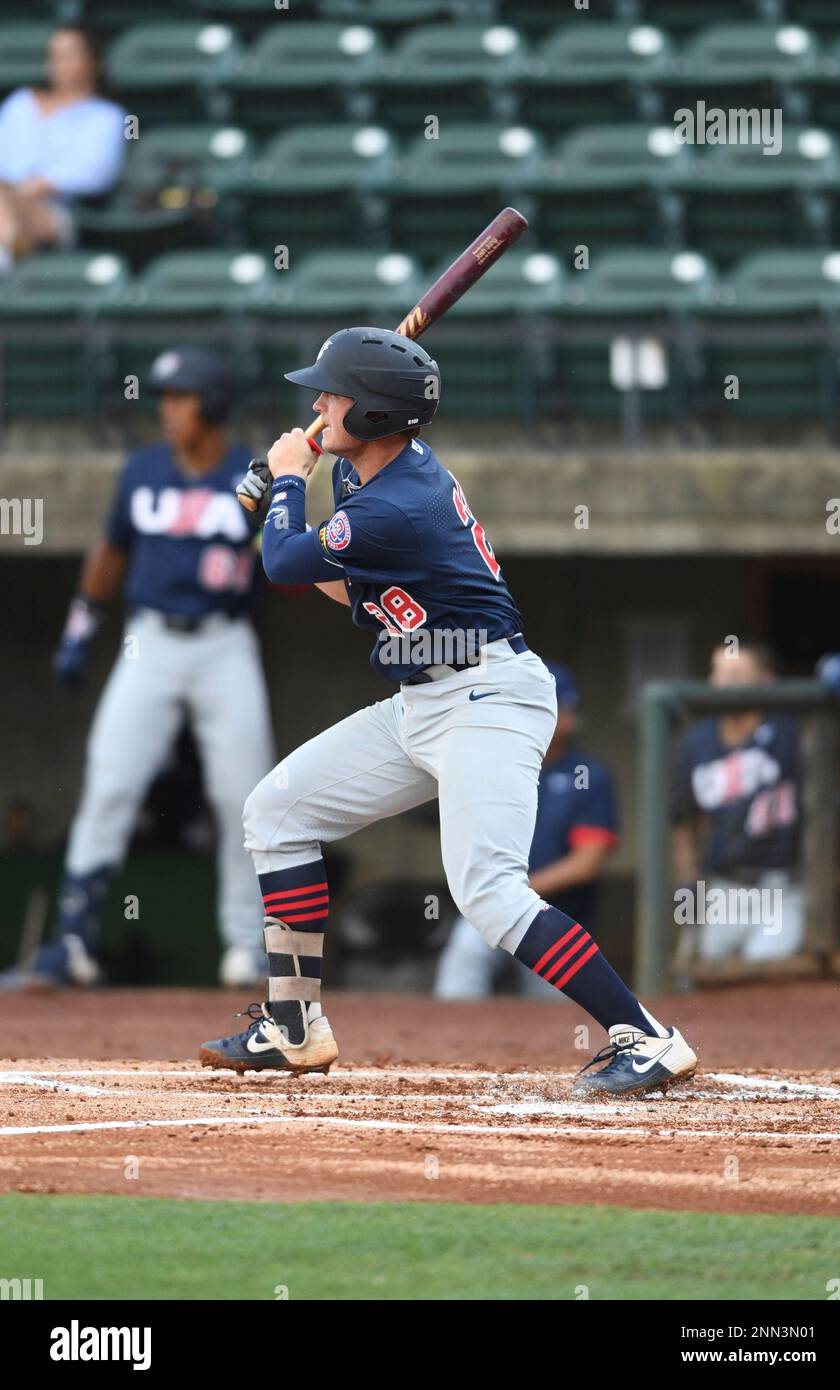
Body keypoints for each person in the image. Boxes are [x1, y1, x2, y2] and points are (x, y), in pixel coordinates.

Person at [198, 326, 697, 1096]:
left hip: (488, 696)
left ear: (372, 416)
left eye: (332, 396)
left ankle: (647, 1036)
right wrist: (309, 472)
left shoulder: (398, 503)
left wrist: (289, 478)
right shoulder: (375, 479)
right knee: (278, 813)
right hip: (424, 696)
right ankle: (293, 1027)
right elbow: (340, 581)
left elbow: (286, 565)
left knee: (489, 892)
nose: (319, 405)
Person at [0, 348, 275, 990]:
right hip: (147, 640)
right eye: (165, 399)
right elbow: (111, 547)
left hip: (225, 643)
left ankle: (245, 945)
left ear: (211, 405)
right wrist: (80, 624)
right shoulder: (144, 470)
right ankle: (73, 940)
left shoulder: (248, 473)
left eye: (180, 399)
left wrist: (272, 508)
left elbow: (281, 562)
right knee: (111, 783)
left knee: (243, 795)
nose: (167, 411)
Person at [434, 662, 619, 999]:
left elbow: (586, 863)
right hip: (490, 906)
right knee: (464, 959)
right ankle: (444, 1048)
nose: (565, 716)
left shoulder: (587, 775)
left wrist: (512, 893)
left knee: (556, 1014)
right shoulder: (493, 766)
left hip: (557, 914)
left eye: (565, 708)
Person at [671, 639, 802, 963]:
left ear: (765, 682)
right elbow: (682, 822)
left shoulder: (792, 733)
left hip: (781, 889)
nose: (725, 682)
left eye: (737, 673)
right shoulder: (695, 744)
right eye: (719, 672)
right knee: (701, 984)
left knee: (763, 975)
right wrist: (687, 881)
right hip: (723, 889)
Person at [0, 26, 126, 270]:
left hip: (58, 212)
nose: (61, 64)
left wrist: (40, 185)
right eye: (55, 56)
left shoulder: (111, 116)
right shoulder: (20, 103)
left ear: (94, 61)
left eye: (70, 54)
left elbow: (98, 174)